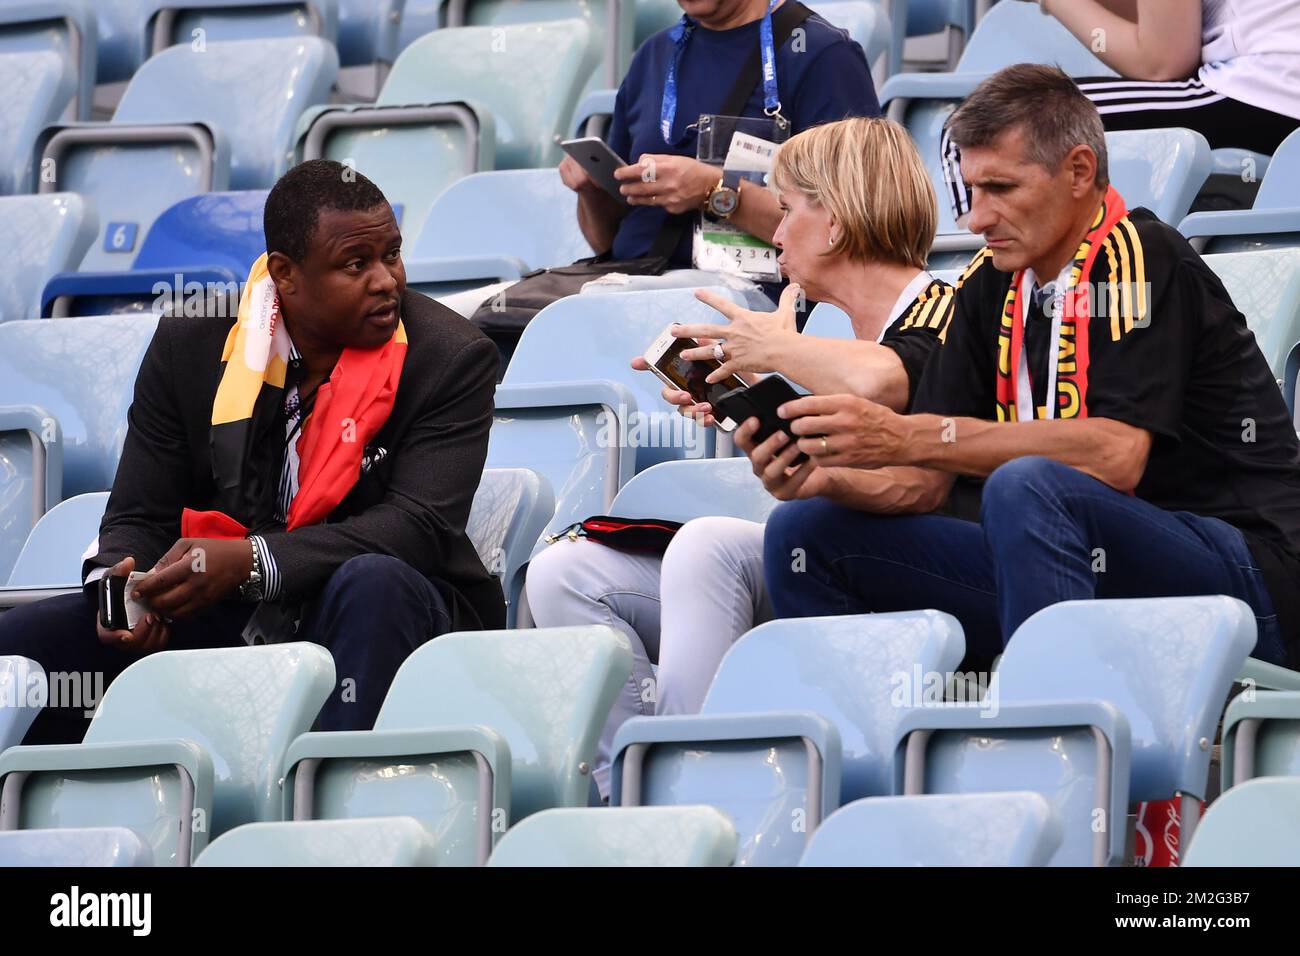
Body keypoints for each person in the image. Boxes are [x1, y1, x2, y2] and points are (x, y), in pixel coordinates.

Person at [751, 65, 1300, 673]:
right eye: (971, 192)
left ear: (1079, 172)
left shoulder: (1141, 256)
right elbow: (924, 484)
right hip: (1078, 561)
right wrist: (826, 479)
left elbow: (1115, 456)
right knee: (807, 532)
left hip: (1245, 578)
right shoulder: (991, 284)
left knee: (1026, 484)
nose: (976, 219)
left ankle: (1054, 737)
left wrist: (908, 435)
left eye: (1001, 189)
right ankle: (870, 751)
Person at [0, 160, 505, 745]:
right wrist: (125, 593)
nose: (387, 280)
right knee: (29, 647)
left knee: (373, 582)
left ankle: (327, 807)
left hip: (382, 608)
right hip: (228, 609)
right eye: (354, 264)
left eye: (391, 254)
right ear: (285, 275)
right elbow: (140, 515)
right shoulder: (190, 341)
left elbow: (415, 528)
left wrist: (255, 560)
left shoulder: (449, 355)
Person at [526, 117, 955, 798]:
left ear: (838, 224)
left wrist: (781, 381)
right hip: (817, 554)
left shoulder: (947, 309)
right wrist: (748, 407)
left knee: (708, 547)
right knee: (563, 572)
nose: (775, 234)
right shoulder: (821, 323)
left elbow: (924, 482)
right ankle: (627, 795)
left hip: (905, 569)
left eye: (787, 211)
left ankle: (684, 798)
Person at [560, 0, 880, 280]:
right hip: (629, 299)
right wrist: (591, 192)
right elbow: (609, 243)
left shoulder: (821, 54)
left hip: (751, 313)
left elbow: (850, 232)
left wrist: (714, 192)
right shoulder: (654, 54)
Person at [942, 0, 1300, 221]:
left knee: (976, 130)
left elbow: (1163, 62)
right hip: (1275, 94)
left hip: (1263, 92)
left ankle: (977, 307)